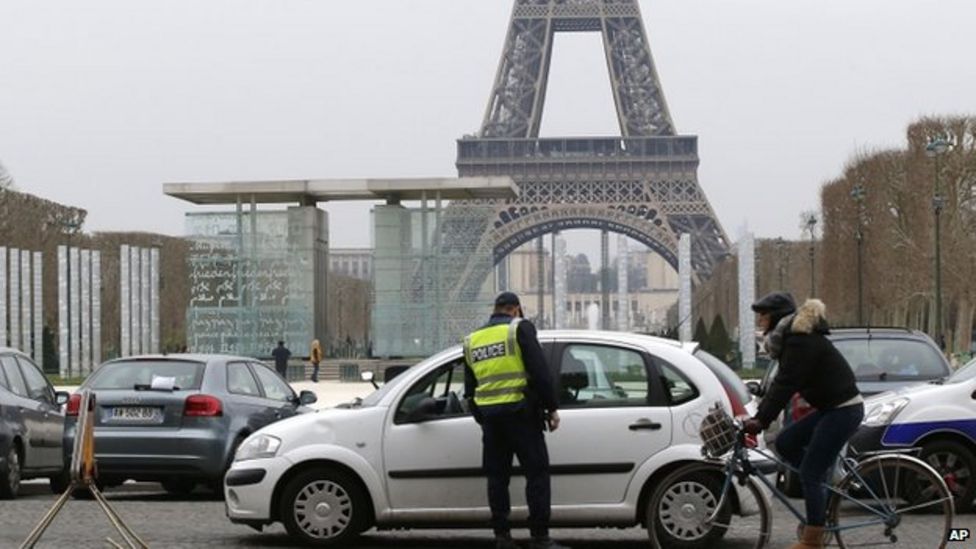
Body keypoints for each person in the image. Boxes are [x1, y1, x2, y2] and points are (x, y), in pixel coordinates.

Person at [743, 292, 864, 549]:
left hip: (842, 410)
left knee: (809, 472)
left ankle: (813, 540)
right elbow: (781, 382)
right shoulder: (793, 339)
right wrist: (761, 409)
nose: (760, 321)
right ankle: (818, 488)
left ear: (775, 317)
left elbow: (787, 382)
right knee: (786, 442)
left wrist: (760, 420)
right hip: (831, 408)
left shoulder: (800, 341)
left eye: (763, 315)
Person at [463, 292, 568, 549]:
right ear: (515, 310)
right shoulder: (518, 329)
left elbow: (469, 388)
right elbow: (540, 372)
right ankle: (539, 537)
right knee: (537, 475)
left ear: (495, 309)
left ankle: (502, 537)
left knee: (497, 478)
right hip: (521, 415)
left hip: (491, 419)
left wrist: (483, 416)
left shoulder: (472, 340)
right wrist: (552, 407)